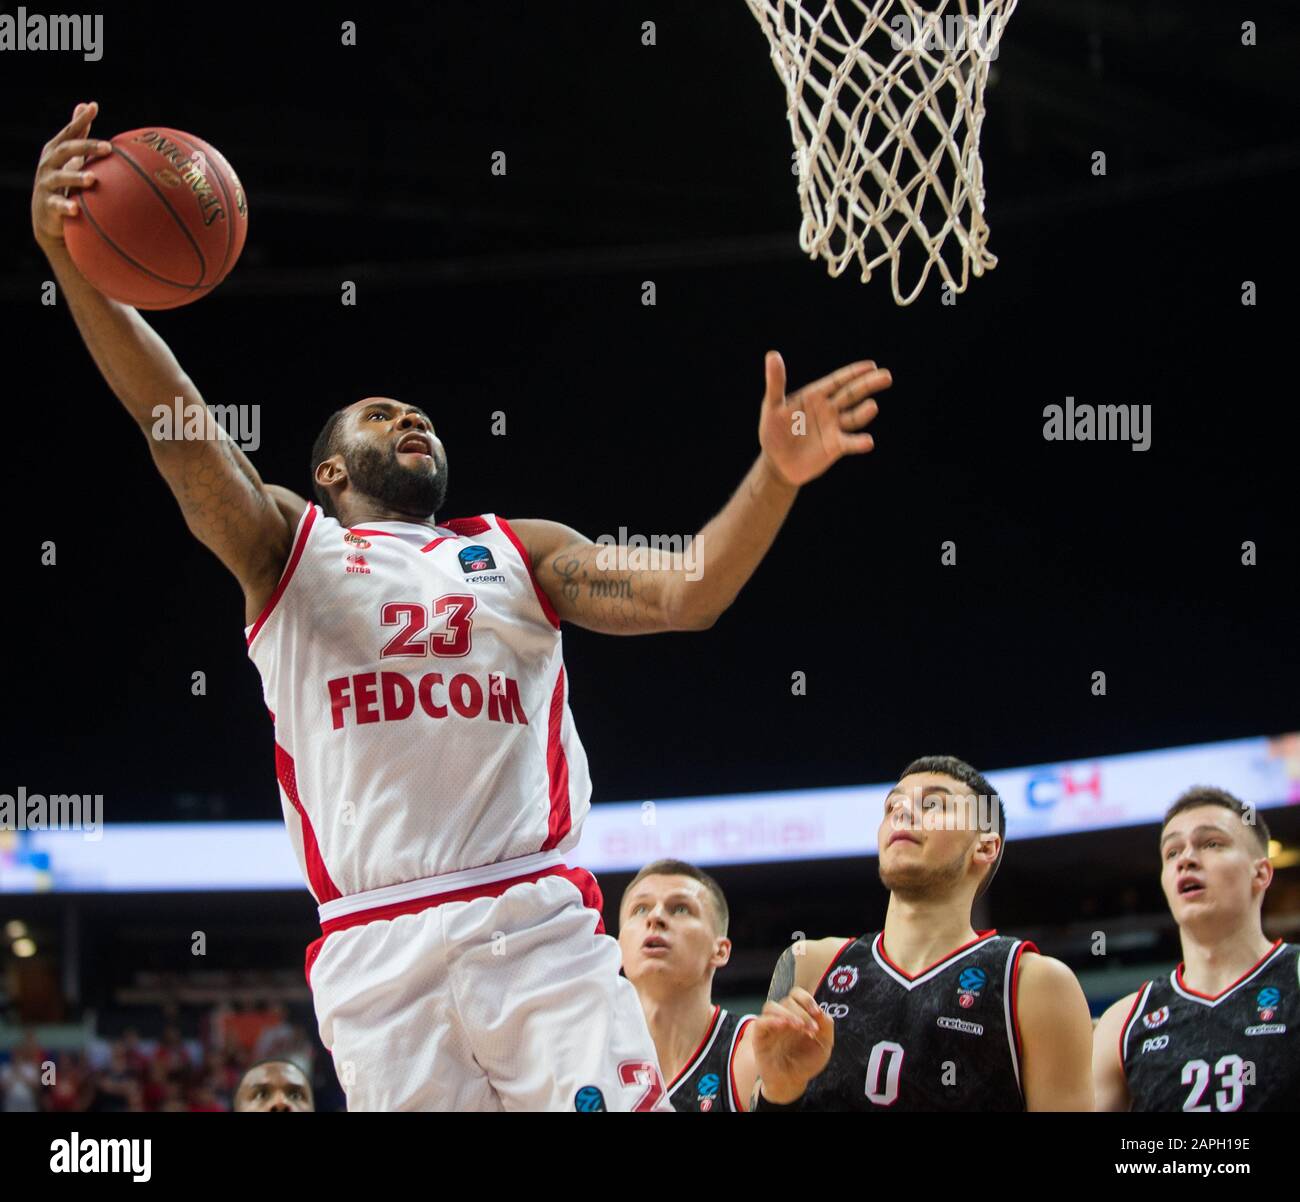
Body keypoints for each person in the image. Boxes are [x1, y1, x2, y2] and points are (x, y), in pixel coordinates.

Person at [34, 100, 891, 1112]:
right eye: (379, 413)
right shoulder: (287, 547)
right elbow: (173, 423)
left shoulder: (520, 550)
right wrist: (79, 270)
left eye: (418, 412)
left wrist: (774, 474)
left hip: (529, 926)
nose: (408, 415)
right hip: (371, 944)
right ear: (326, 468)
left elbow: (689, 590)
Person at [749, 756, 1094, 1111]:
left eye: (933, 805)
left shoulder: (1034, 984)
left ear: (986, 847)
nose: (902, 813)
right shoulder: (810, 964)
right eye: (892, 806)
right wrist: (780, 1090)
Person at [1092, 786, 1298, 1111]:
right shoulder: (1124, 1021)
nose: (1185, 859)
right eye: (1172, 852)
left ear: (1260, 873)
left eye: (1211, 843)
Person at [619, 860, 757, 1111]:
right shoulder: (585, 1055)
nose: (655, 917)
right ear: (618, 948)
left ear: (720, 950)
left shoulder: (750, 1050)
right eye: (640, 909)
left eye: (680, 909)